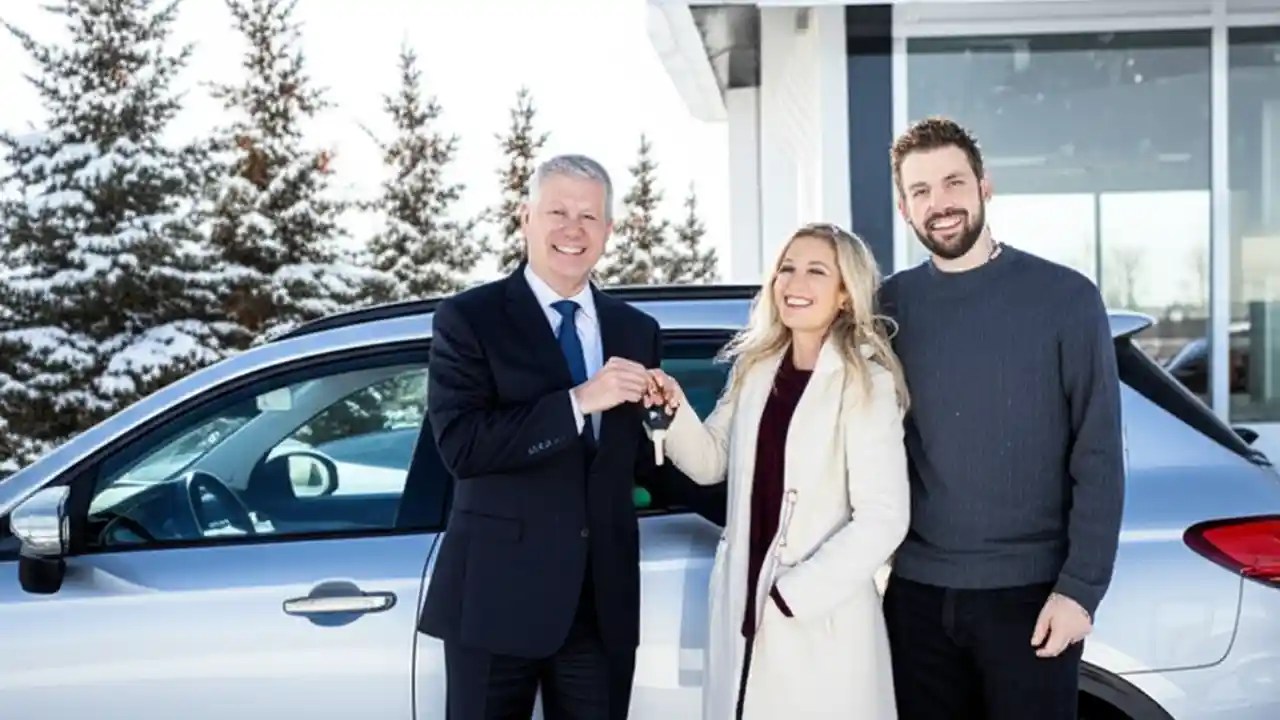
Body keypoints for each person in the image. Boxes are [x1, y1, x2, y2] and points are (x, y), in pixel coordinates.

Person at [877, 116, 1126, 720]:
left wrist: (1080, 591)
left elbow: (1098, 453)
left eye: (953, 183)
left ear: (985, 186)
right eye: (920, 191)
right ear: (905, 209)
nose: (940, 203)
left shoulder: (1064, 299)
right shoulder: (888, 306)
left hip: (1031, 598)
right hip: (916, 600)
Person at [419, 154, 663, 719]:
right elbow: (461, 446)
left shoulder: (636, 330)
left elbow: (648, 466)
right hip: (494, 601)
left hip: (601, 608)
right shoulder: (468, 318)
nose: (572, 229)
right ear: (524, 217)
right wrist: (578, 402)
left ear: (609, 230)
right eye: (556, 211)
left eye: (589, 216)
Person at [644, 223, 911, 720]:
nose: (794, 282)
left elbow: (884, 517)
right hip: (744, 612)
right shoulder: (757, 367)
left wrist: (791, 596)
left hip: (814, 618)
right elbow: (709, 462)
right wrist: (674, 406)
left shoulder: (864, 382)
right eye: (786, 268)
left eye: (815, 271)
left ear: (845, 296)